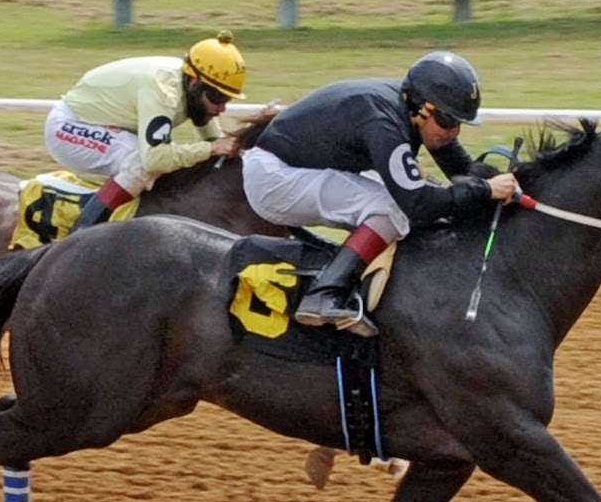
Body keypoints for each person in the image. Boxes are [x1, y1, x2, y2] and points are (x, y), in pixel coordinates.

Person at [241, 50, 519, 333]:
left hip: (298, 166)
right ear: (423, 108)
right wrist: (484, 190)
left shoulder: (410, 108)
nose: (455, 131)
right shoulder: (384, 122)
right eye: (449, 121)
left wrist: (502, 186)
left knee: (421, 197)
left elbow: (459, 167)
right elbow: (418, 203)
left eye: (460, 122)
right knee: (391, 209)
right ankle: (325, 293)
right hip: (274, 179)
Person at [44, 30, 247, 230]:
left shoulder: (190, 88)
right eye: (217, 98)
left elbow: (212, 136)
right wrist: (211, 148)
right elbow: (155, 159)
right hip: (70, 126)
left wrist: (222, 146)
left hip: (103, 123)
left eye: (227, 99)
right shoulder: (164, 92)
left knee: (170, 158)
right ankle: (82, 232)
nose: (222, 108)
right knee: (141, 163)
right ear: (194, 83)